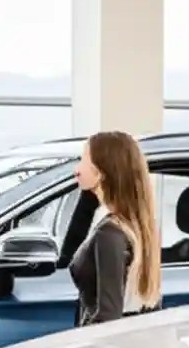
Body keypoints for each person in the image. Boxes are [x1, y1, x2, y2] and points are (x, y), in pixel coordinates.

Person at [69, 130, 162, 326]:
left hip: (100, 346)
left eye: (83, 160)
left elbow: (108, 315)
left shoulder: (109, 233)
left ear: (101, 172)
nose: (76, 170)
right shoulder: (136, 227)